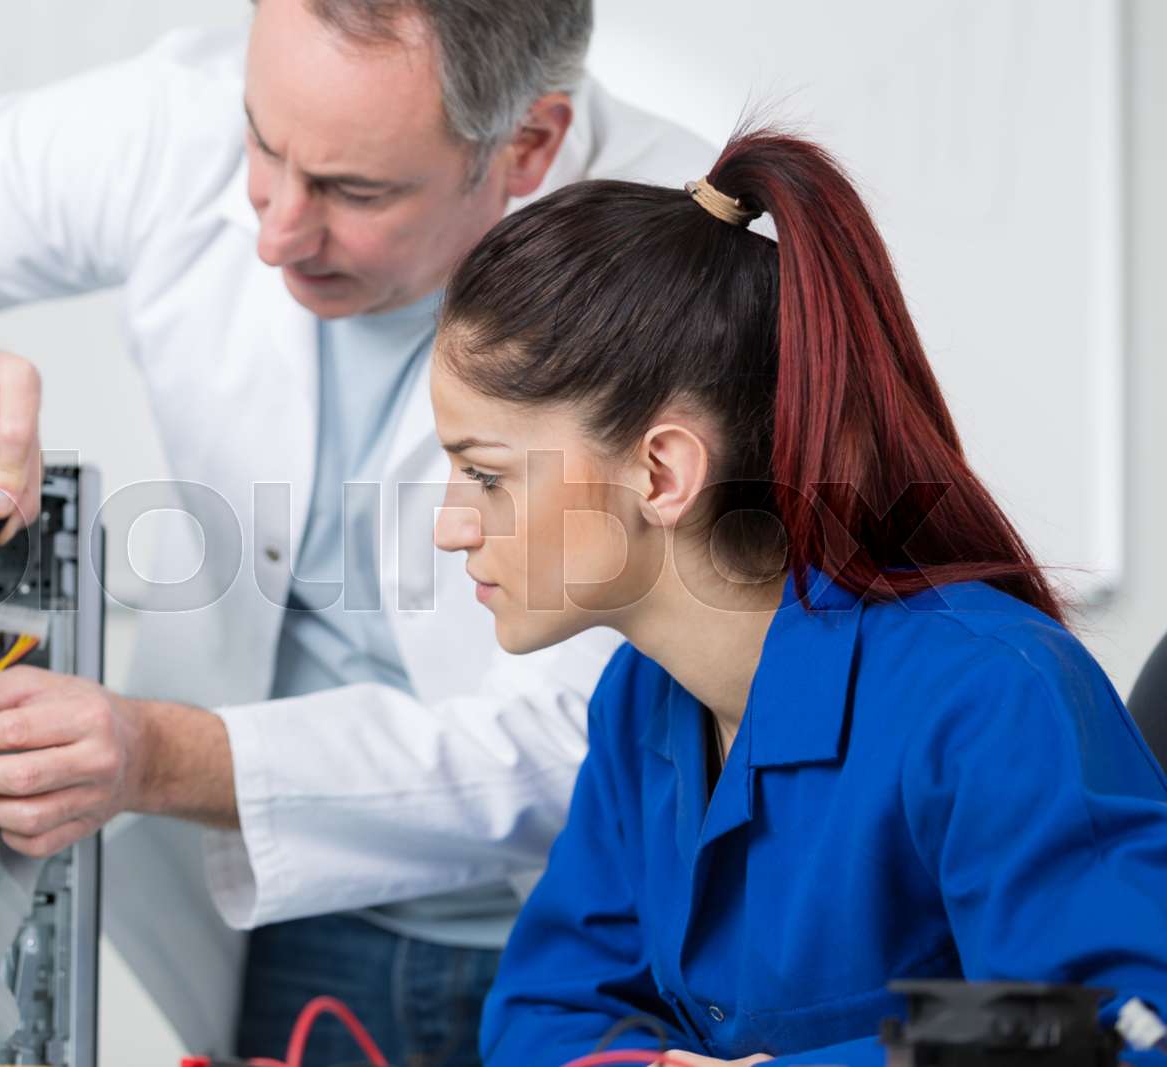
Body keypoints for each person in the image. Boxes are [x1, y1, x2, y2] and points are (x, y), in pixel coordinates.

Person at [0, 0, 716, 1060]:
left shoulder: (694, 264)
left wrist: (168, 754)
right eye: (264, 144)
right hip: (273, 920)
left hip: (584, 942)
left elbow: (580, 739)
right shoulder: (179, 120)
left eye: (354, 190)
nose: (274, 229)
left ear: (526, 143)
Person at [426, 131, 1167, 1067]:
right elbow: (546, 1012)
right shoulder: (641, 700)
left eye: (485, 475)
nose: (453, 527)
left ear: (661, 472)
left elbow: (1123, 1029)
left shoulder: (989, 698)